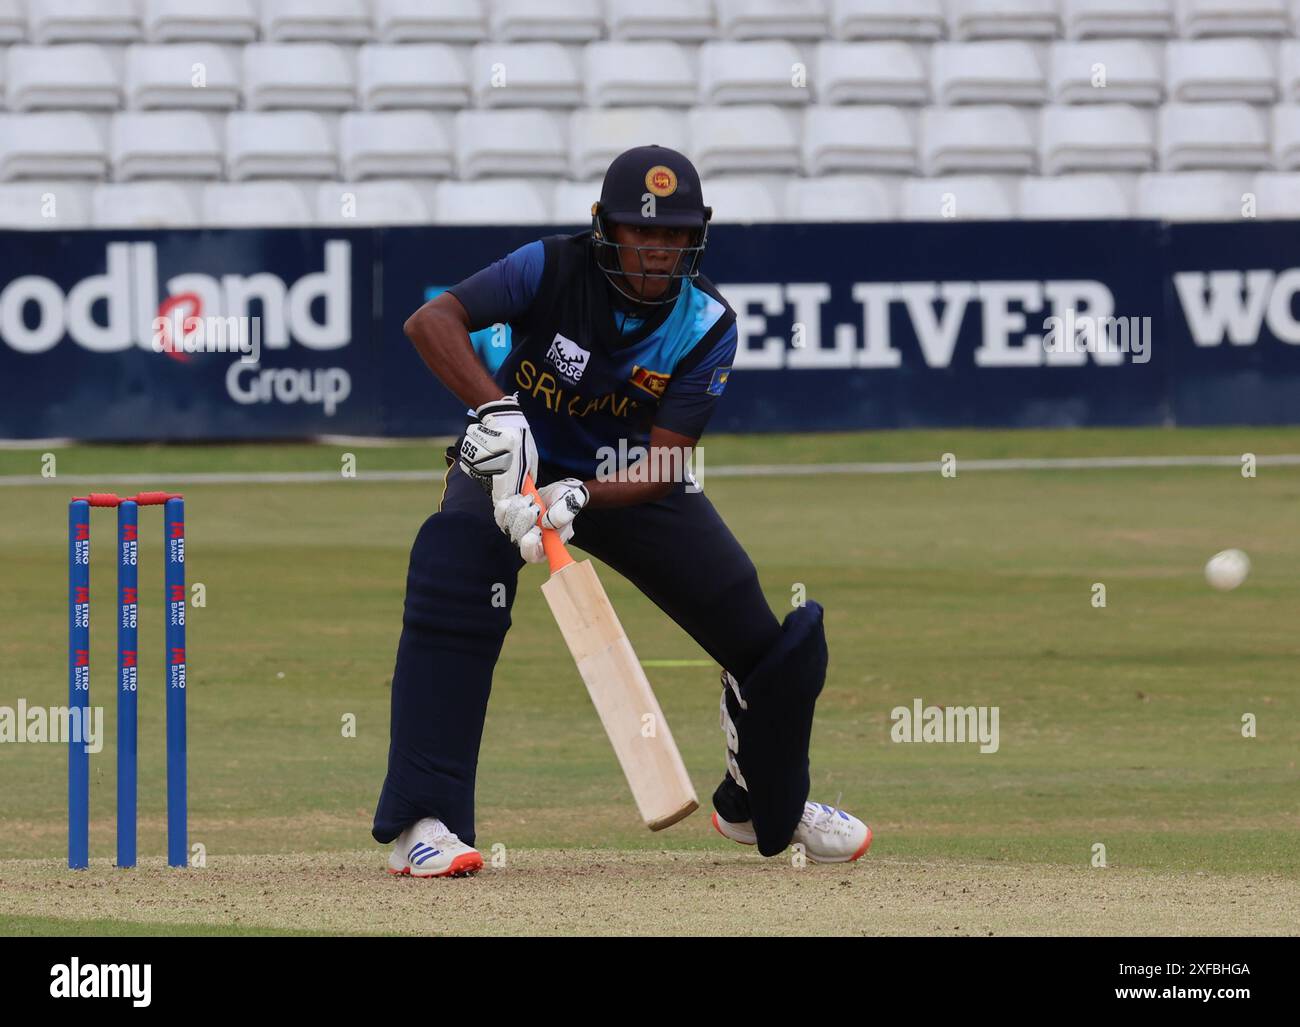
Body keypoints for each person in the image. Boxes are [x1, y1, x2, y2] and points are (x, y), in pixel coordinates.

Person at [373, 145, 871, 876]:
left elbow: (667, 461)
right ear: (604, 226)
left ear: (696, 236)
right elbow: (432, 320)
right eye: (643, 232)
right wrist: (496, 410)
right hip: (513, 465)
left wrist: (580, 494)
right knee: (452, 575)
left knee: (765, 641)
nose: (657, 250)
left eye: (674, 235)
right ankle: (425, 821)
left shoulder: (706, 321)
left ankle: (762, 799)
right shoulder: (549, 265)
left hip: (623, 480)